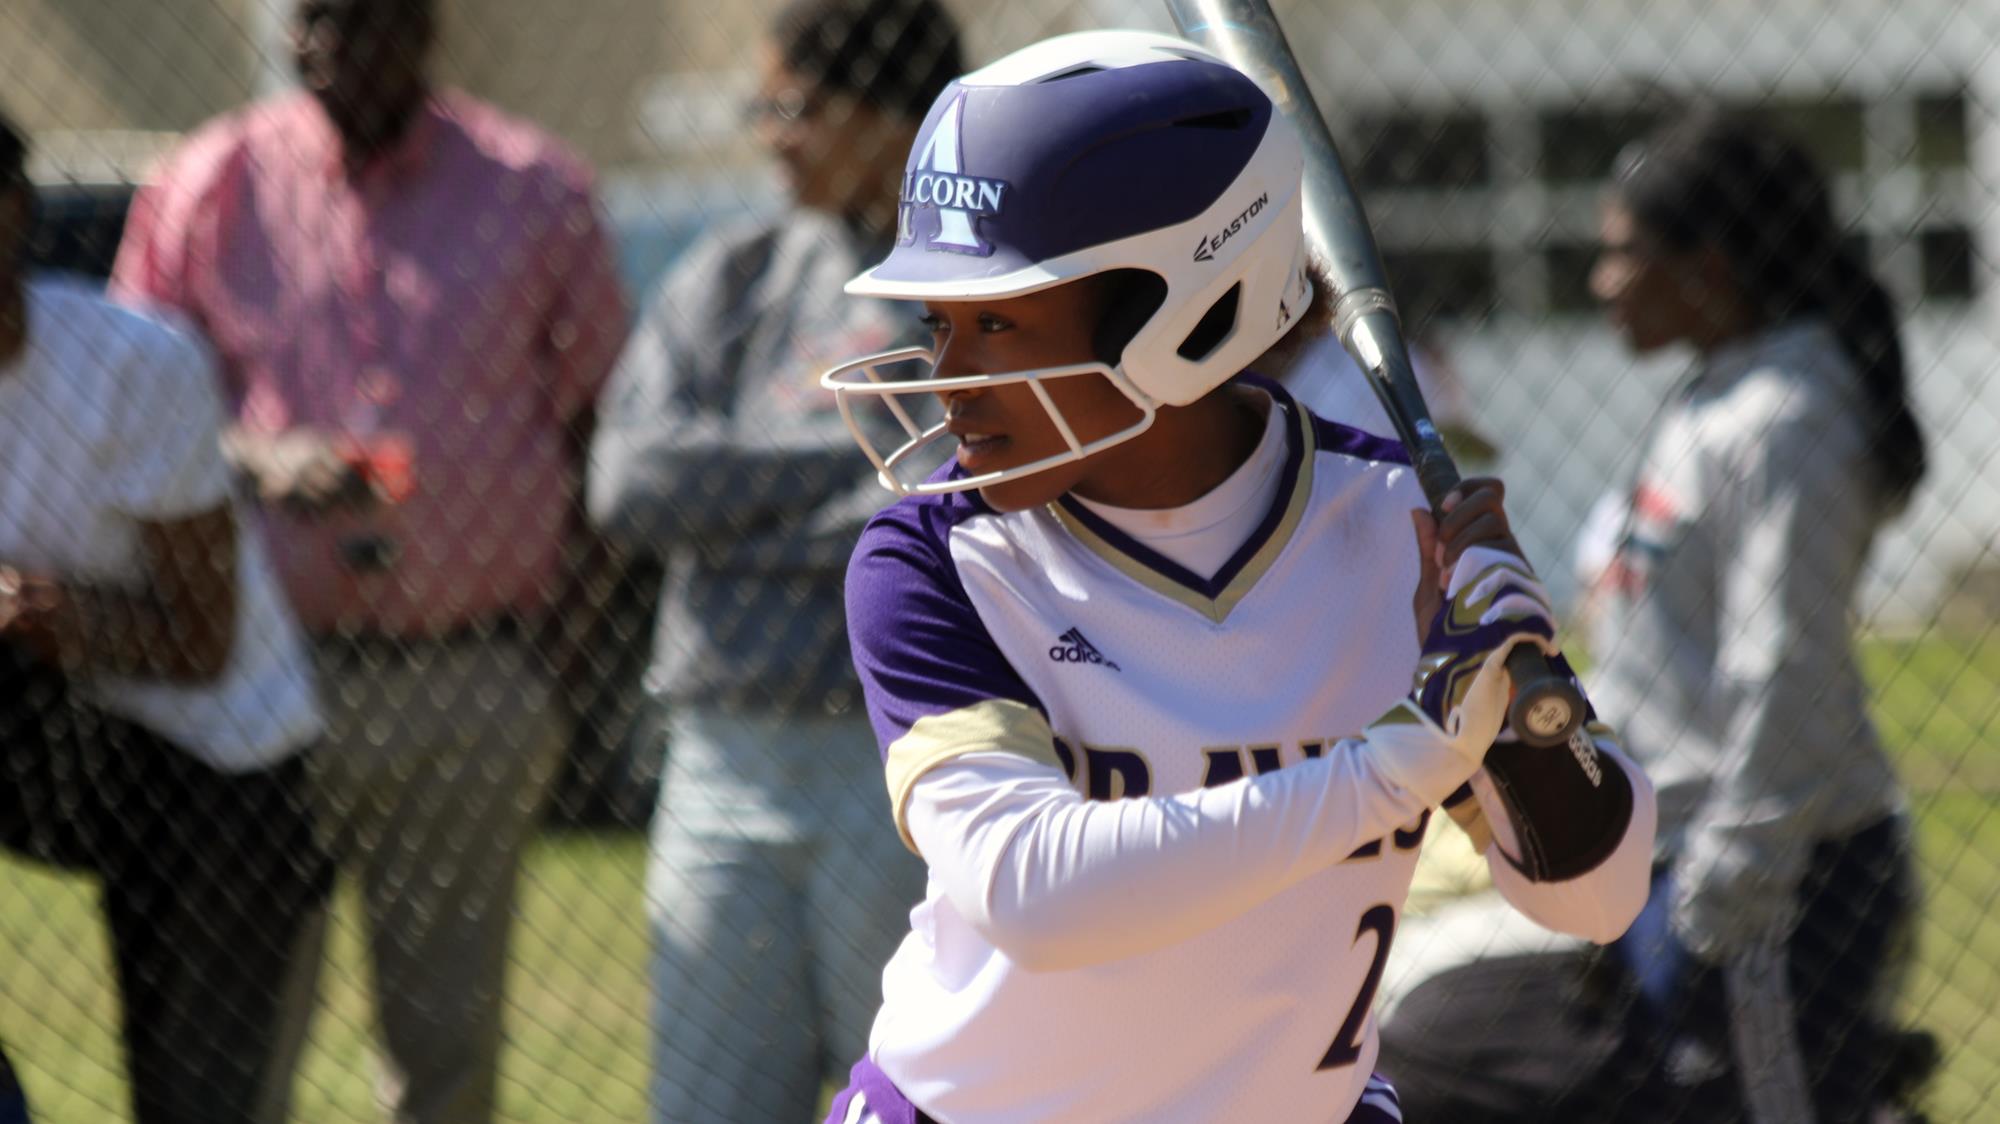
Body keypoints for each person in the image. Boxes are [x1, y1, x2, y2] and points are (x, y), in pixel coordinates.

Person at [808, 31, 1657, 1123]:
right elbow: (1031, 889)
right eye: (940, 324)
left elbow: (1593, 896)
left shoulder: (1394, 528)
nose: (949, 379)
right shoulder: (937, 557)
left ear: (1182, 310)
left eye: (1001, 322)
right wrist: (1390, 765)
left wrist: (1519, 716)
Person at [106, 2, 629, 1121]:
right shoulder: (208, 182)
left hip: (470, 676)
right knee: (239, 1043)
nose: (347, 43)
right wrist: (252, 458)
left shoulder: (535, 190)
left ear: (428, 28)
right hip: (254, 679)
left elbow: (602, 431)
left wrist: (557, 662)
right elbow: (124, 410)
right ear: (290, 33)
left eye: (378, 16)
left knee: (445, 1045)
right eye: (320, 18)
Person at [1378, 109, 1935, 1123]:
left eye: (1620, 254)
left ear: (1705, 266)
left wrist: (1729, 885)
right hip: (1682, 857)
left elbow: (1786, 667)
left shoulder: (1786, 419)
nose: (1599, 282)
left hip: (1773, 877)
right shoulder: (1713, 396)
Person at [587, 1, 956, 1118]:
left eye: (789, 106)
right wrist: (840, 470)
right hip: (719, 762)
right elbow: (629, 486)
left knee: (911, 1091)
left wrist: (742, 507)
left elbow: (949, 515)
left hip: (898, 762)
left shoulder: (977, 298)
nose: (767, 133)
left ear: (884, 116)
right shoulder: (733, 274)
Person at [0, 111, 329, 1124]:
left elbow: (204, 639)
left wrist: (69, 620)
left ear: (10, 214)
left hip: (215, 765)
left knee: (196, 1096)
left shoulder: (133, 362)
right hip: (56, 730)